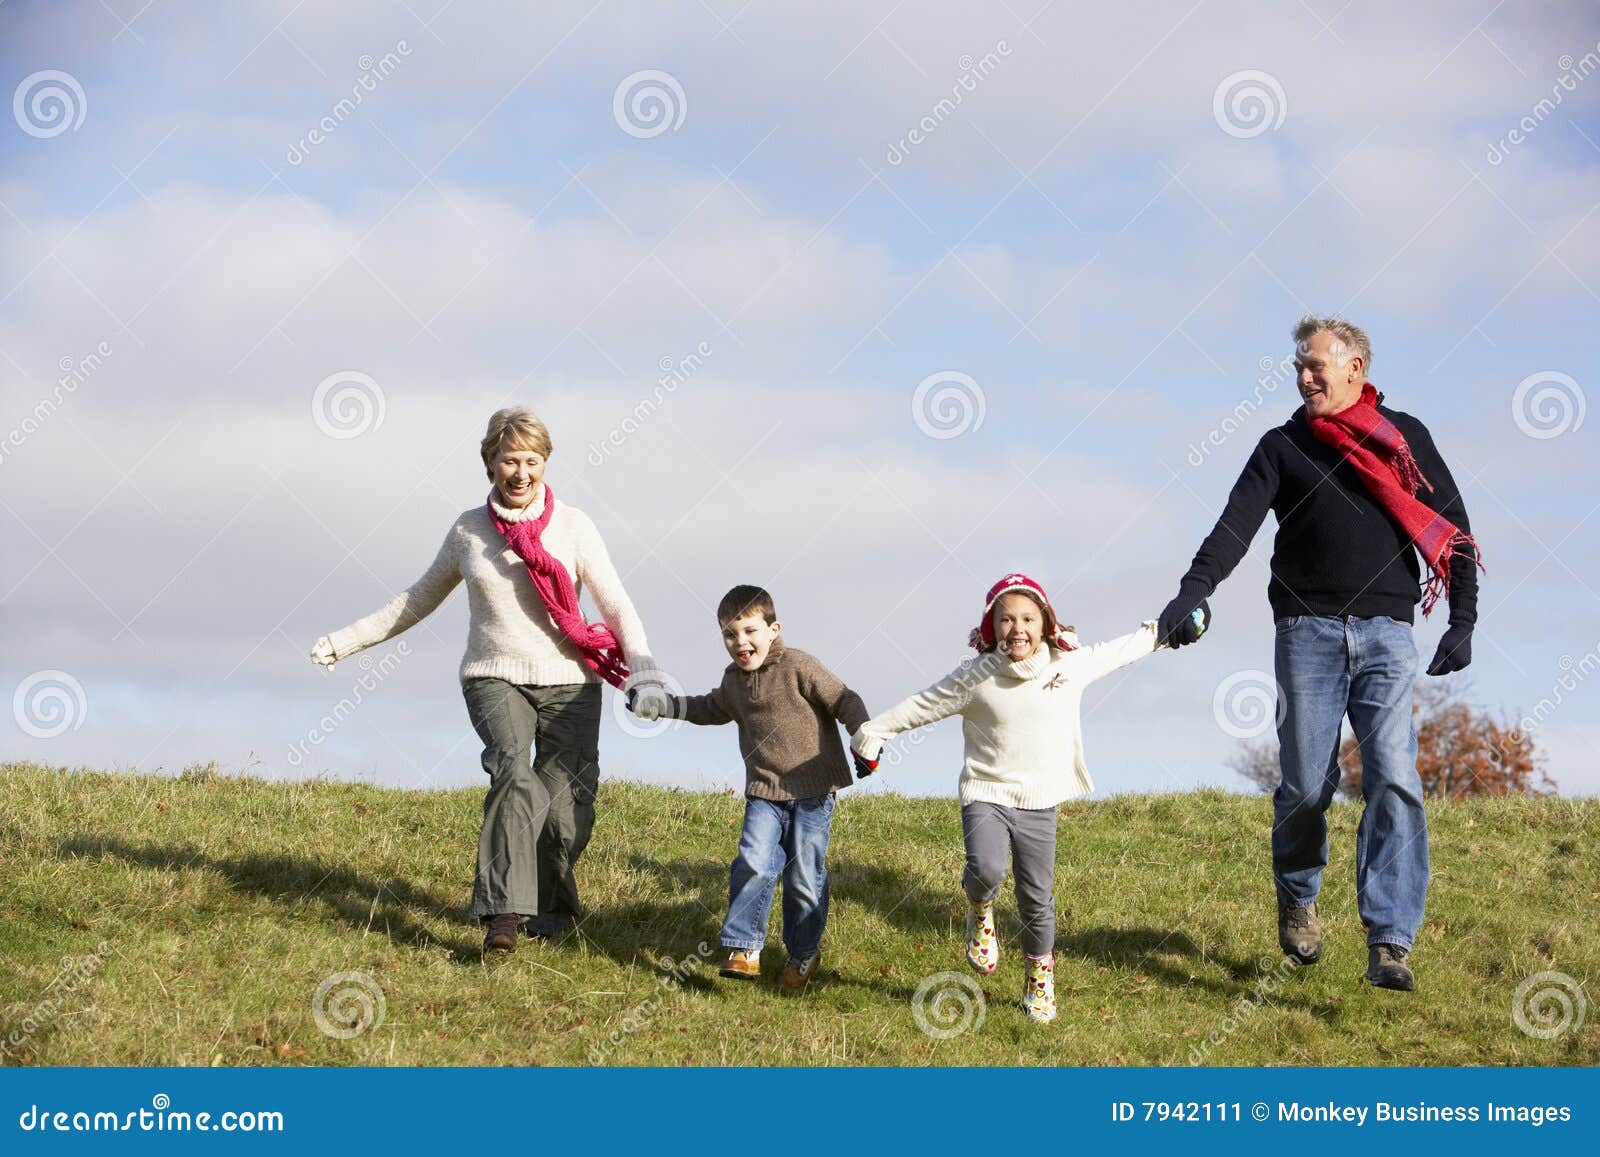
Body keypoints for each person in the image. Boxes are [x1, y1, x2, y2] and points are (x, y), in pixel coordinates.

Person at [1155, 315, 1481, 992]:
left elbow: (1453, 526)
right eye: (1298, 367)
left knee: (1394, 777)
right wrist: (1192, 591)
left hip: (1388, 632)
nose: (1304, 378)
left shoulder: (1404, 439)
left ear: (1355, 367)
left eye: (1315, 366)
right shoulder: (1282, 446)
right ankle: (1299, 895)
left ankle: (1390, 939)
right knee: (1306, 786)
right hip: (1306, 631)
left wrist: (1462, 619)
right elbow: (1234, 527)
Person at [310, 407, 671, 956]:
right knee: (513, 773)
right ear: (490, 462)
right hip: (494, 675)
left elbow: (614, 602)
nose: (521, 473)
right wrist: (345, 641)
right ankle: (503, 913)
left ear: (545, 463)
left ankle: (550, 912)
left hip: (571, 681)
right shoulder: (468, 530)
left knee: (565, 810)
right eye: (509, 461)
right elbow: (417, 599)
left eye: (532, 461)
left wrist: (643, 672)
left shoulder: (574, 525)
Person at [851, 573, 1200, 1023]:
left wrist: (1170, 628)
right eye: (1007, 619)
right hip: (986, 791)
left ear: (1046, 623)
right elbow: (923, 704)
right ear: (991, 625)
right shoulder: (976, 676)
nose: (1018, 628)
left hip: (1040, 800)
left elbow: (1121, 650)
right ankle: (980, 910)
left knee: (1036, 898)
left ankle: (1039, 977)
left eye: (1028, 619)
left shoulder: (1067, 664)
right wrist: (872, 735)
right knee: (986, 869)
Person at [632, 584, 870, 992]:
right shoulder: (733, 682)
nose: (740, 642)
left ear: (774, 629)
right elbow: (708, 708)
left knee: (803, 876)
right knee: (754, 861)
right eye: (730, 634)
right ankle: (744, 947)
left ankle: (803, 952)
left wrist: (864, 735)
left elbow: (844, 699)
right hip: (764, 791)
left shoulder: (798, 666)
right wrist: (663, 705)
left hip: (813, 792)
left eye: (749, 631)